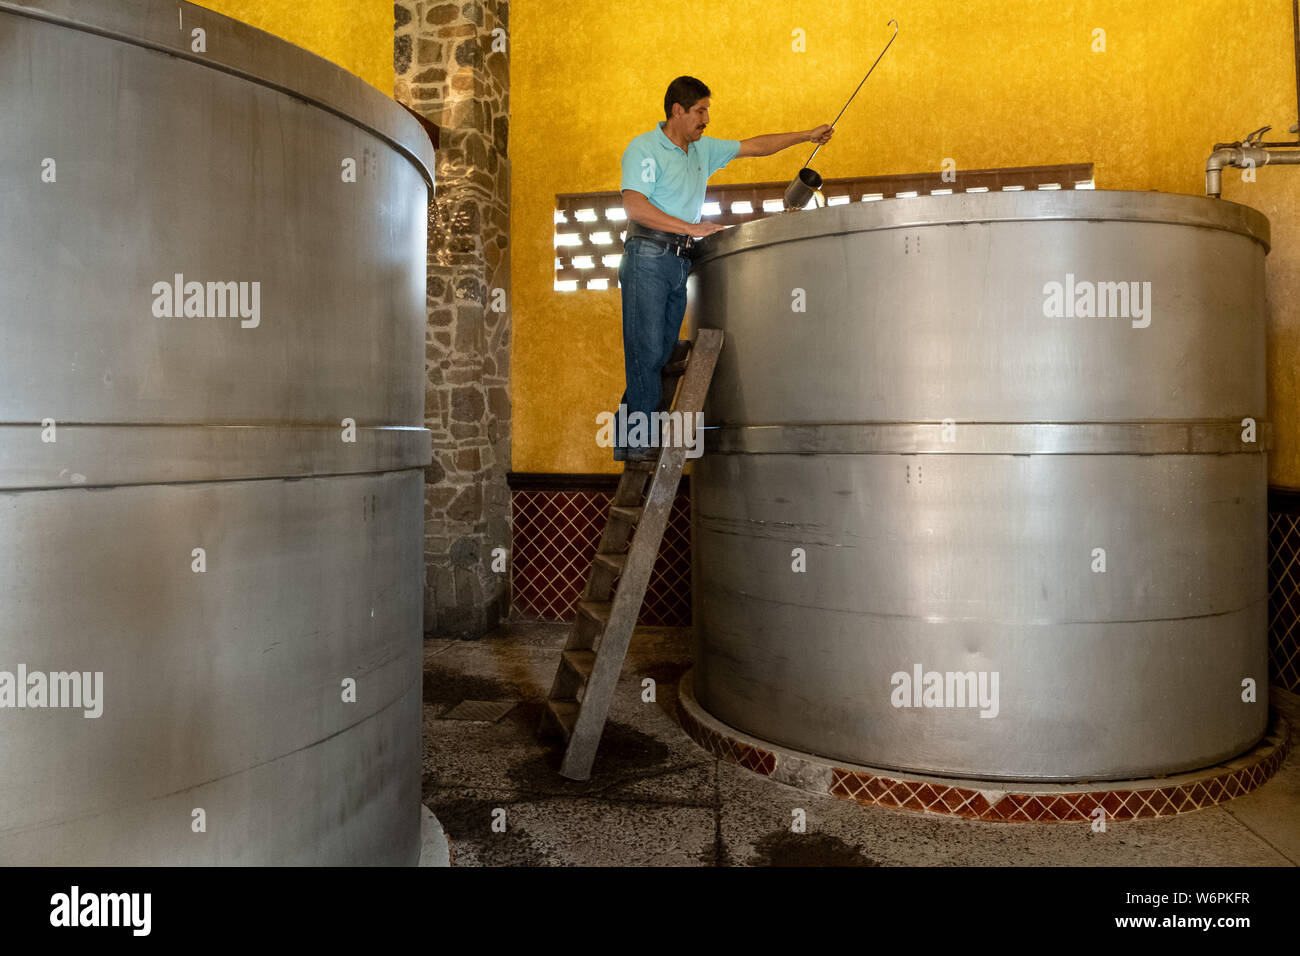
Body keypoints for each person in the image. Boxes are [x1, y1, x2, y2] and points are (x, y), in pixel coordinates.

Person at [612, 75, 832, 461]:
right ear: (677, 111)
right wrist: (691, 228)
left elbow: (755, 146)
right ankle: (639, 440)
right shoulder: (644, 148)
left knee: (660, 354)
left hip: (679, 260)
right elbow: (636, 207)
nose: (706, 119)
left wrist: (807, 136)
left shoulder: (702, 150)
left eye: (707, 111)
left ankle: (630, 437)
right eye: (700, 111)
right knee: (645, 351)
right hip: (647, 255)